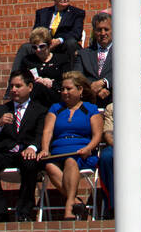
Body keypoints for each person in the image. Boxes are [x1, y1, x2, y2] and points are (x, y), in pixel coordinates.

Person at [0, 70, 47, 222]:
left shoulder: (39, 110)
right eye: (11, 86)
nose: (14, 90)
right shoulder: (0, 110)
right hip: (5, 152)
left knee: (30, 164)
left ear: (30, 87)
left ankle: (24, 212)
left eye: (18, 86)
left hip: (26, 151)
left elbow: (40, 134)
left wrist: (33, 147)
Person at [38, 73, 103, 220]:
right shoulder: (56, 108)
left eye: (68, 89)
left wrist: (88, 148)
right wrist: (45, 149)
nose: (64, 92)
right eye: (62, 89)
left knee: (70, 161)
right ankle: (77, 202)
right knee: (48, 166)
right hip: (57, 153)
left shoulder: (90, 109)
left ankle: (68, 208)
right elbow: (47, 131)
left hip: (82, 153)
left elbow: (97, 135)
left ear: (80, 90)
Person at [98, 94, 141, 215]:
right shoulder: (112, 107)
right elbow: (108, 134)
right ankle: (113, 206)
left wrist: (137, 146)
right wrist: (123, 147)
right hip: (118, 145)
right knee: (106, 157)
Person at [10, 0, 86, 79]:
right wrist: (45, 42)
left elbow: (76, 33)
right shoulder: (42, 13)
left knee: (71, 43)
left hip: (62, 46)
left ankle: (73, 81)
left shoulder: (77, 13)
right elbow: (35, 32)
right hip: (43, 46)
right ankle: (14, 84)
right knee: (25, 47)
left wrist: (59, 40)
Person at [18, 29, 66, 106]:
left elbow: (67, 81)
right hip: (35, 99)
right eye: (34, 47)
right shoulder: (28, 61)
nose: (38, 50)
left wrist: (51, 83)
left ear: (50, 45)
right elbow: (23, 80)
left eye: (42, 46)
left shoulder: (61, 60)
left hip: (56, 98)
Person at [78, 13, 114, 105]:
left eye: (106, 29)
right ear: (94, 31)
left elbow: (124, 72)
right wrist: (93, 87)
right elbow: (78, 76)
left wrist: (105, 82)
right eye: (99, 30)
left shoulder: (122, 53)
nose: (103, 33)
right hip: (90, 101)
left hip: (115, 101)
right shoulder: (83, 54)